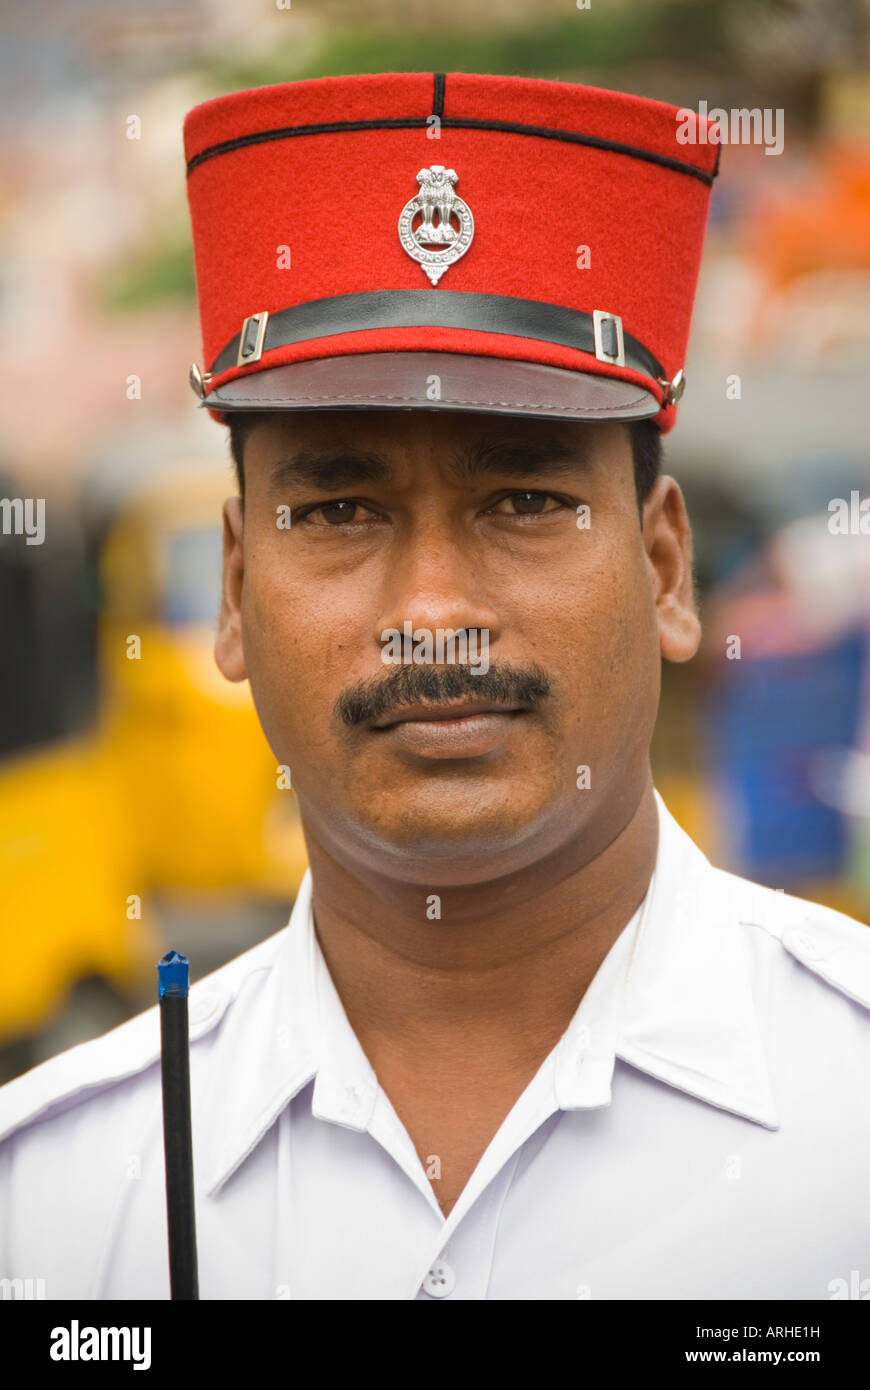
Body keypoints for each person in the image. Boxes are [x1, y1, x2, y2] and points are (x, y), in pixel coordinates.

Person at [1, 71, 868, 1301]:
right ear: (238, 589)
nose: (431, 616)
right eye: (342, 509)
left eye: (524, 500)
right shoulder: (59, 1211)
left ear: (666, 569)